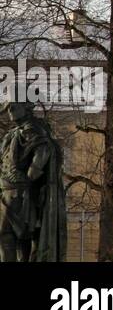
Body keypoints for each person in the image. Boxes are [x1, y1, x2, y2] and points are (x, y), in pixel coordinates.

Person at [0, 101, 67, 262]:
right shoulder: (15, 132)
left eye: (13, 107)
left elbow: (43, 150)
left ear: (26, 107)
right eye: (8, 108)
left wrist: (29, 176)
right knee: (21, 239)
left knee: (7, 236)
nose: (9, 111)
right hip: (8, 191)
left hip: (18, 194)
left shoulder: (32, 129)